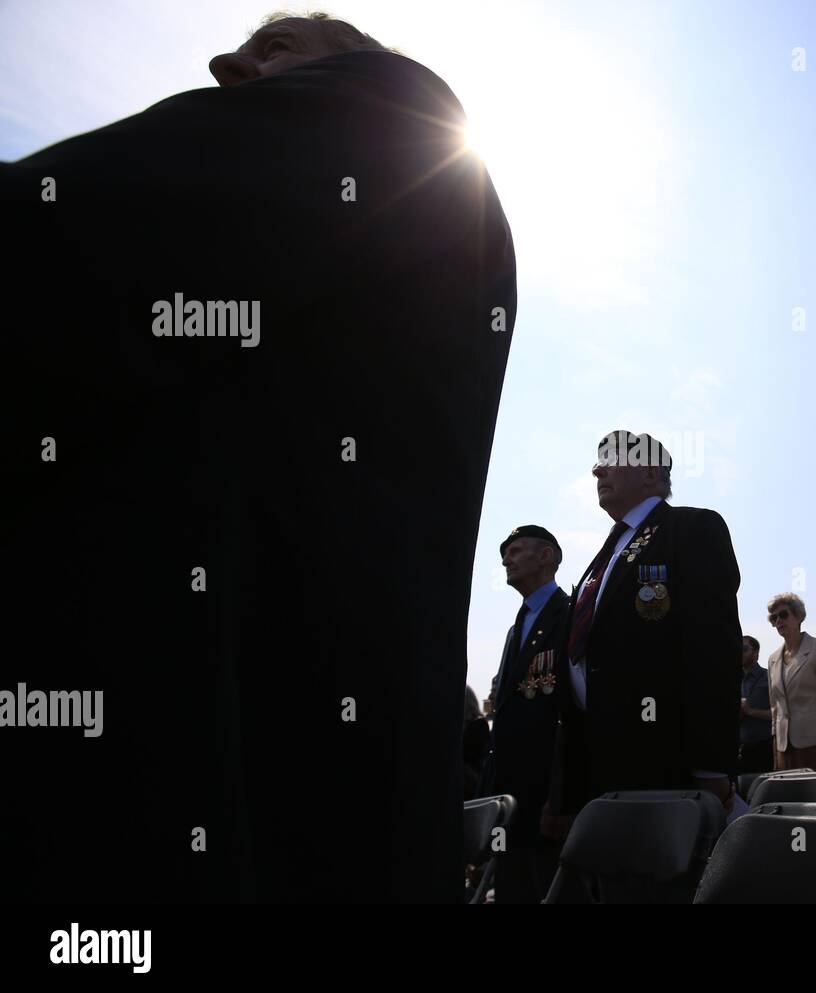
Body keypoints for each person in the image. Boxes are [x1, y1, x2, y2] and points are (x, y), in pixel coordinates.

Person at [3, 13, 515, 902]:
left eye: (277, 48)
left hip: (211, 788)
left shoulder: (398, 110)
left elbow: (73, 238)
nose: (227, 63)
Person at [550, 431, 742, 824]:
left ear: (651, 473)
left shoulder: (692, 528)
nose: (597, 469)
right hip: (597, 768)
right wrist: (564, 791)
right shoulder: (603, 557)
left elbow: (713, 649)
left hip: (664, 762)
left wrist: (710, 767)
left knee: (667, 882)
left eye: (612, 458)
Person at [480, 525, 570, 903]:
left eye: (516, 550)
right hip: (509, 793)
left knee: (548, 888)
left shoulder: (569, 615)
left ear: (546, 556)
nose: (506, 559)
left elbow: (571, 712)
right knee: (511, 890)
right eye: (505, 553)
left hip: (545, 793)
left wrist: (563, 795)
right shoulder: (517, 627)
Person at [766, 594, 816, 771]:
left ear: (798, 616)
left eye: (784, 615)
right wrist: (775, 751)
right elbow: (775, 709)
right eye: (774, 618)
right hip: (784, 748)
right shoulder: (772, 659)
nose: (779, 620)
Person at [738, 636, 774, 774]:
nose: (740, 653)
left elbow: (780, 714)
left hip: (764, 748)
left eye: (744, 649)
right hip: (740, 748)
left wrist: (750, 711)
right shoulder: (733, 679)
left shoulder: (769, 676)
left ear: (756, 652)